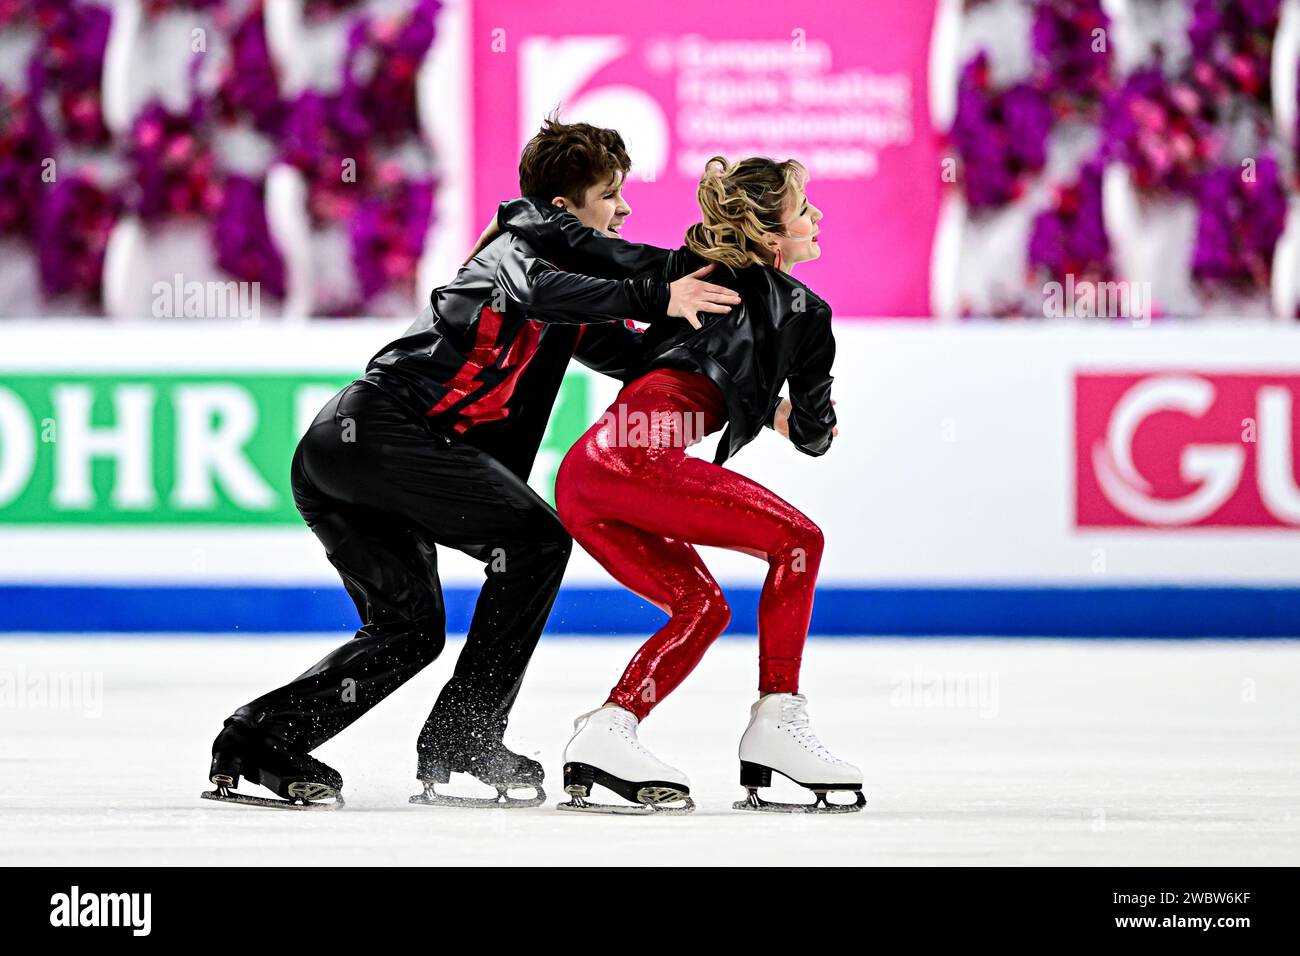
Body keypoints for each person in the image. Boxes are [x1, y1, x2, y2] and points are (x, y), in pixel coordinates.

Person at [203, 120, 740, 810]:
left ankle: (259, 737)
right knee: (538, 542)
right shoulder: (512, 251)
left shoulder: (559, 298)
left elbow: (640, 359)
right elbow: (547, 291)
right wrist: (658, 291)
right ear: (565, 209)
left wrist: (750, 371)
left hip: (358, 457)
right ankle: (466, 733)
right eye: (611, 196)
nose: (625, 210)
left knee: (410, 630)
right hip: (371, 435)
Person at [496, 156, 864, 814]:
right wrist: (808, 419)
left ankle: (607, 731)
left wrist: (523, 224)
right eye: (804, 208)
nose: (818, 216)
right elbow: (813, 434)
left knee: (704, 606)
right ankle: (777, 722)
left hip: (587, 474)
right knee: (799, 542)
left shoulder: (688, 280)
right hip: (635, 460)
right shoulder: (808, 313)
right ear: (772, 233)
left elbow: (603, 318)